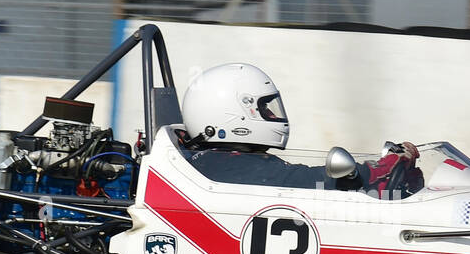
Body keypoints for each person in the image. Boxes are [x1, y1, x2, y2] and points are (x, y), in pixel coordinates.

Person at [177, 62, 423, 197]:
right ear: (232, 112)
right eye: (265, 108)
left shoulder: (221, 161)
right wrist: (372, 172)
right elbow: (301, 180)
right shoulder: (224, 164)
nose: (273, 116)